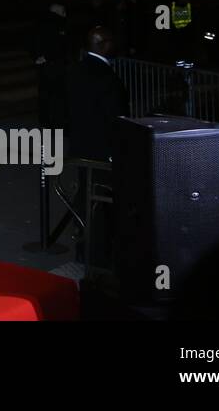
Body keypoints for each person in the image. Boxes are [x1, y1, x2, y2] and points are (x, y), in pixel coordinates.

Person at [64, 26, 130, 267]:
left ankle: (84, 249)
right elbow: (116, 120)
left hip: (81, 146)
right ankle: (99, 255)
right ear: (104, 45)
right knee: (102, 205)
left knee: (85, 198)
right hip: (102, 151)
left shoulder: (76, 70)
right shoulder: (107, 78)